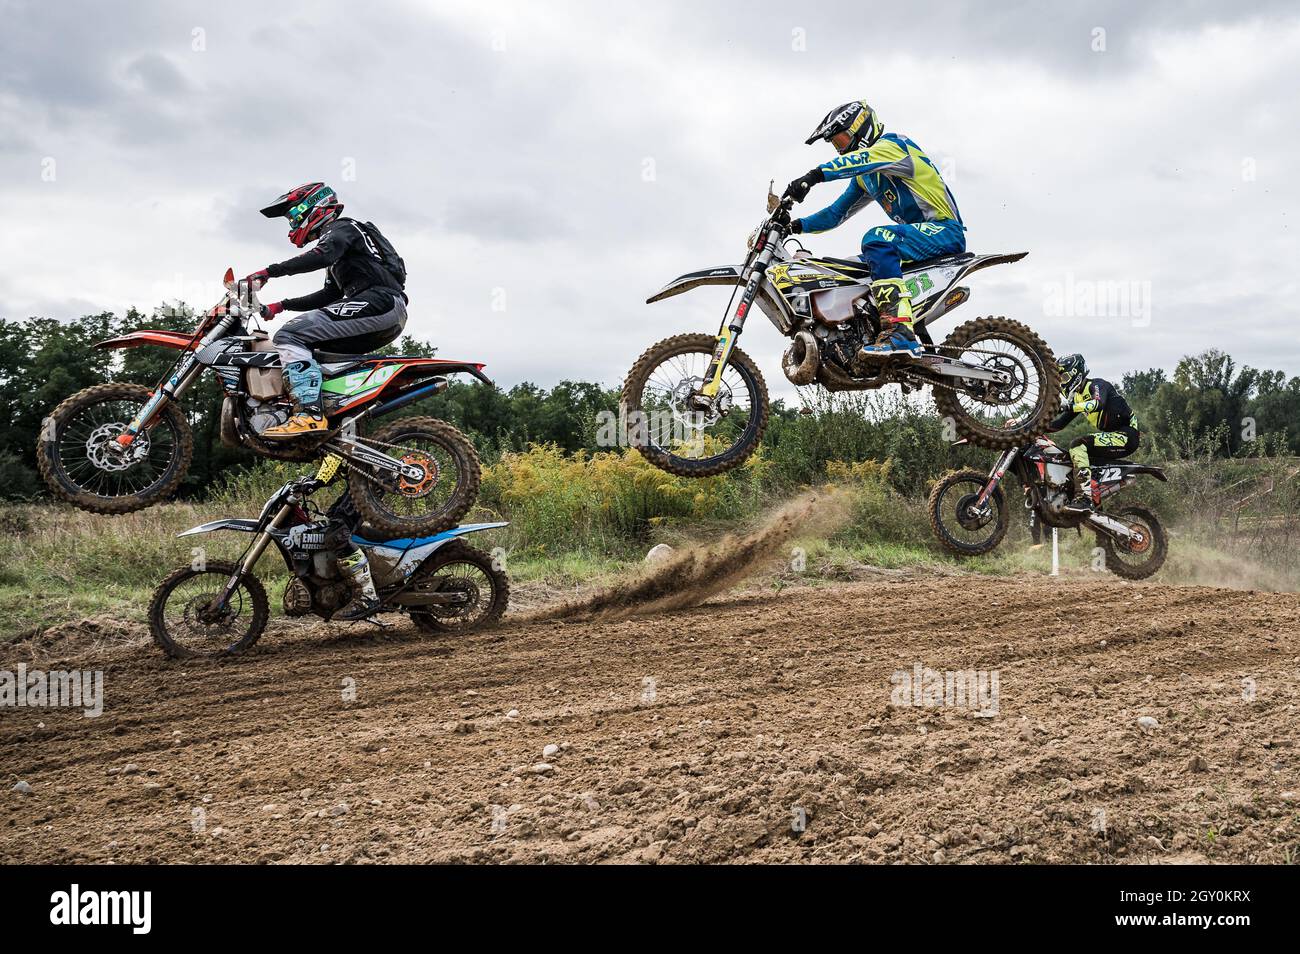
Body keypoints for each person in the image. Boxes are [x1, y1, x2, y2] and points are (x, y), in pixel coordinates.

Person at [782, 100, 965, 361]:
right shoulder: (866, 177)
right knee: (845, 268)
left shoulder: (894, 147)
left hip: (944, 232)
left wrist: (813, 176)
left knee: (876, 238)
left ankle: (899, 332)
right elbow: (836, 214)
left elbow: (859, 160)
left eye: (842, 141)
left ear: (862, 130)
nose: (840, 150)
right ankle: (863, 335)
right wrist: (795, 226)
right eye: (836, 145)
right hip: (916, 241)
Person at [245, 182, 408, 439]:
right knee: (310, 349)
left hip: (381, 302)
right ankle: (336, 422)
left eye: (292, 217)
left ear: (311, 207)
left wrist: (269, 272)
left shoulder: (344, 228)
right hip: (380, 309)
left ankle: (309, 414)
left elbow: (322, 254)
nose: (291, 224)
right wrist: (280, 306)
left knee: (289, 336)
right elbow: (329, 295)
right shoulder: (341, 249)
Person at [1046, 354, 1141, 513]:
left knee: (1078, 445)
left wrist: (1069, 406)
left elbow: (1098, 403)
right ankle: (1097, 512)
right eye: (1060, 379)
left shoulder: (1097, 385)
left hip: (1127, 435)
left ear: (1076, 373)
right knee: (1074, 457)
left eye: (1064, 376)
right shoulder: (1077, 398)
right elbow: (1059, 424)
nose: (1062, 382)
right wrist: (1032, 428)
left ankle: (1084, 498)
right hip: (1114, 437)